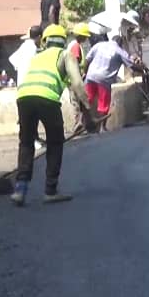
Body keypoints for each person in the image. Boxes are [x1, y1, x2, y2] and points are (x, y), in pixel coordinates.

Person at [10, 24, 90, 206]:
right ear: (63, 41)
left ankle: (20, 189)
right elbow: (77, 84)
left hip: (24, 98)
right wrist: (88, 111)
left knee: (26, 142)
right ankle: (50, 190)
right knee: (55, 142)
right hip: (47, 100)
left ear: (45, 41)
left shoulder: (37, 57)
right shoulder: (65, 55)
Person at [83, 31, 144, 131]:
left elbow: (87, 60)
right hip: (104, 80)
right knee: (103, 104)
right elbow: (132, 65)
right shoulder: (119, 51)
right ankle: (102, 127)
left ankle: (84, 124)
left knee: (87, 101)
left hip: (90, 77)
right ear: (120, 43)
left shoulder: (99, 45)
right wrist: (142, 69)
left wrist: (85, 73)